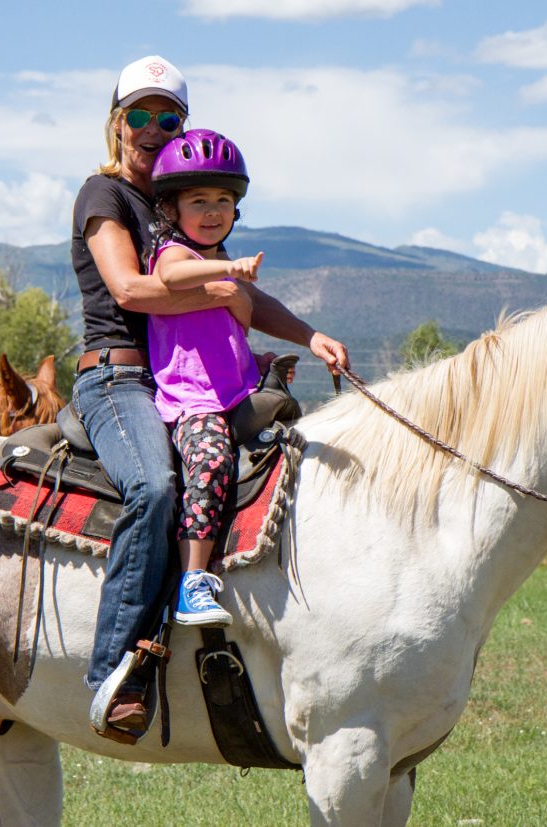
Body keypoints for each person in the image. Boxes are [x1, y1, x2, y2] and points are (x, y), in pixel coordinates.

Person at [72, 57, 349, 741]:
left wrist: (309, 334)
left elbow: (246, 301)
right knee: (157, 485)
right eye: (138, 114)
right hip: (118, 375)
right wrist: (226, 284)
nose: (151, 127)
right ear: (116, 123)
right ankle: (114, 668)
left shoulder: (190, 198)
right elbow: (132, 291)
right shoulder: (103, 197)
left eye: (167, 117)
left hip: (192, 372)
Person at [146, 128, 265, 628]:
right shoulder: (178, 254)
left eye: (223, 199)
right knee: (212, 461)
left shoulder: (218, 264)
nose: (214, 210)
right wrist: (227, 274)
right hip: (193, 401)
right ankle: (193, 581)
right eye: (199, 200)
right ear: (172, 210)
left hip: (239, 393)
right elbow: (169, 280)